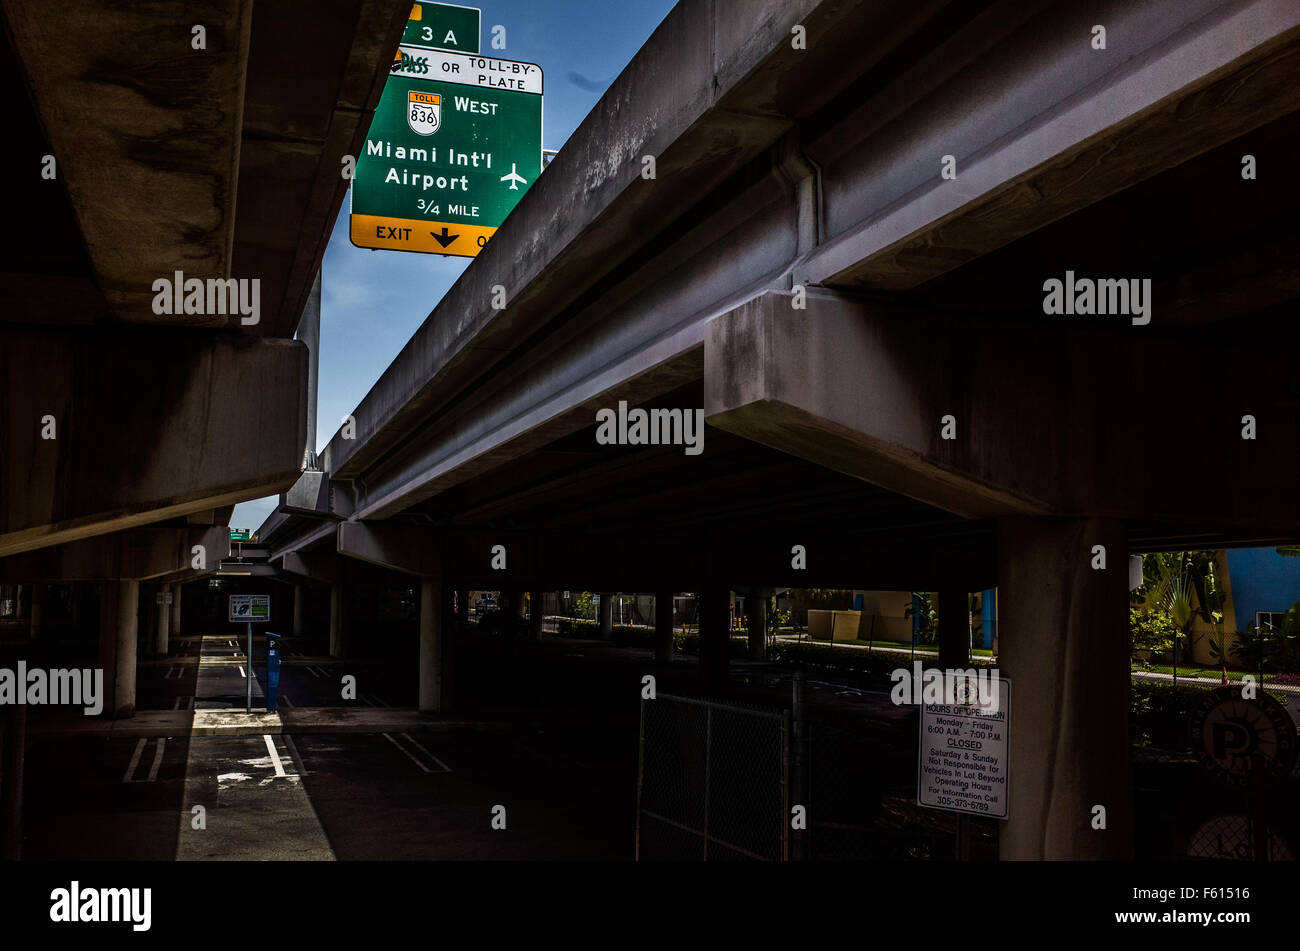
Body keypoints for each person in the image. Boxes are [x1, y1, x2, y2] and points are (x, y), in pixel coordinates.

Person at [265, 631, 282, 712]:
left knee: (271, 688)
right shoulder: (274, 652)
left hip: (272, 670)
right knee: (272, 687)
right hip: (273, 671)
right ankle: (272, 707)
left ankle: (271, 707)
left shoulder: (271, 651)